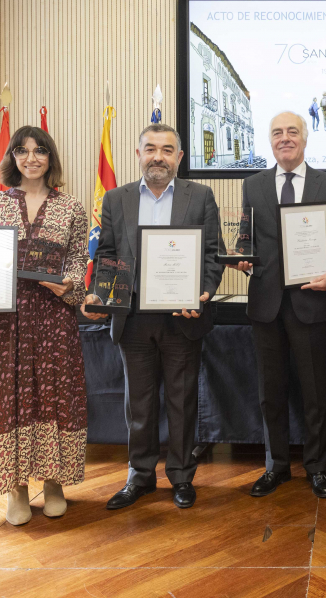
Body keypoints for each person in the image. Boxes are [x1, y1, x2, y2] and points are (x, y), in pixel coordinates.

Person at [82, 123, 224, 511]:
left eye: (166, 150)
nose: (157, 156)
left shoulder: (201, 196)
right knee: (139, 405)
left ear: (179, 157)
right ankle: (140, 476)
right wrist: (102, 294)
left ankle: (181, 476)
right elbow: (107, 255)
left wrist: (204, 292)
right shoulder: (116, 198)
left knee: (182, 402)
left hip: (183, 316)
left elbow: (212, 254)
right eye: (150, 149)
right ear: (138, 154)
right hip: (133, 318)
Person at [0, 126, 88, 526]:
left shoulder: (72, 208)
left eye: (40, 150)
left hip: (52, 317)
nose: (31, 158)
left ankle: (54, 483)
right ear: (12, 157)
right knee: (5, 401)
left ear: (51, 158)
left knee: (53, 398)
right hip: (1, 322)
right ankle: (15, 488)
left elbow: (78, 261)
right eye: (22, 151)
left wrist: (70, 285)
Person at [235, 111, 326, 499]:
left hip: (312, 302)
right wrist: (242, 255)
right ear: (270, 141)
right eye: (277, 133)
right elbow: (246, 238)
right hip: (265, 304)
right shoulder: (252, 185)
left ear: (305, 138)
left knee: (315, 392)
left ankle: (317, 468)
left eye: (292, 132)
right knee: (271, 392)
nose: (284, 138)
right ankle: (277, 466)